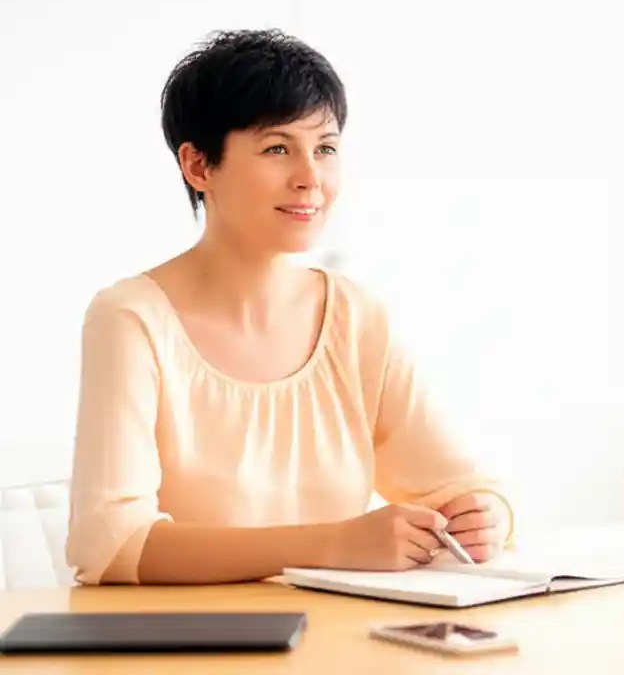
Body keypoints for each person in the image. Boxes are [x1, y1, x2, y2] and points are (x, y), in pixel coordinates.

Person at [66, 30, 513, 586]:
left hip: (338, 645)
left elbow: (459, 486)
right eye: (278, 148)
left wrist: (484, 517)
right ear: (199, 166)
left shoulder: (355, 316)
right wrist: (335, 542)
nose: (311, 178)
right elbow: (112, 545)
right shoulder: (131, 319)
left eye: (325, 148)